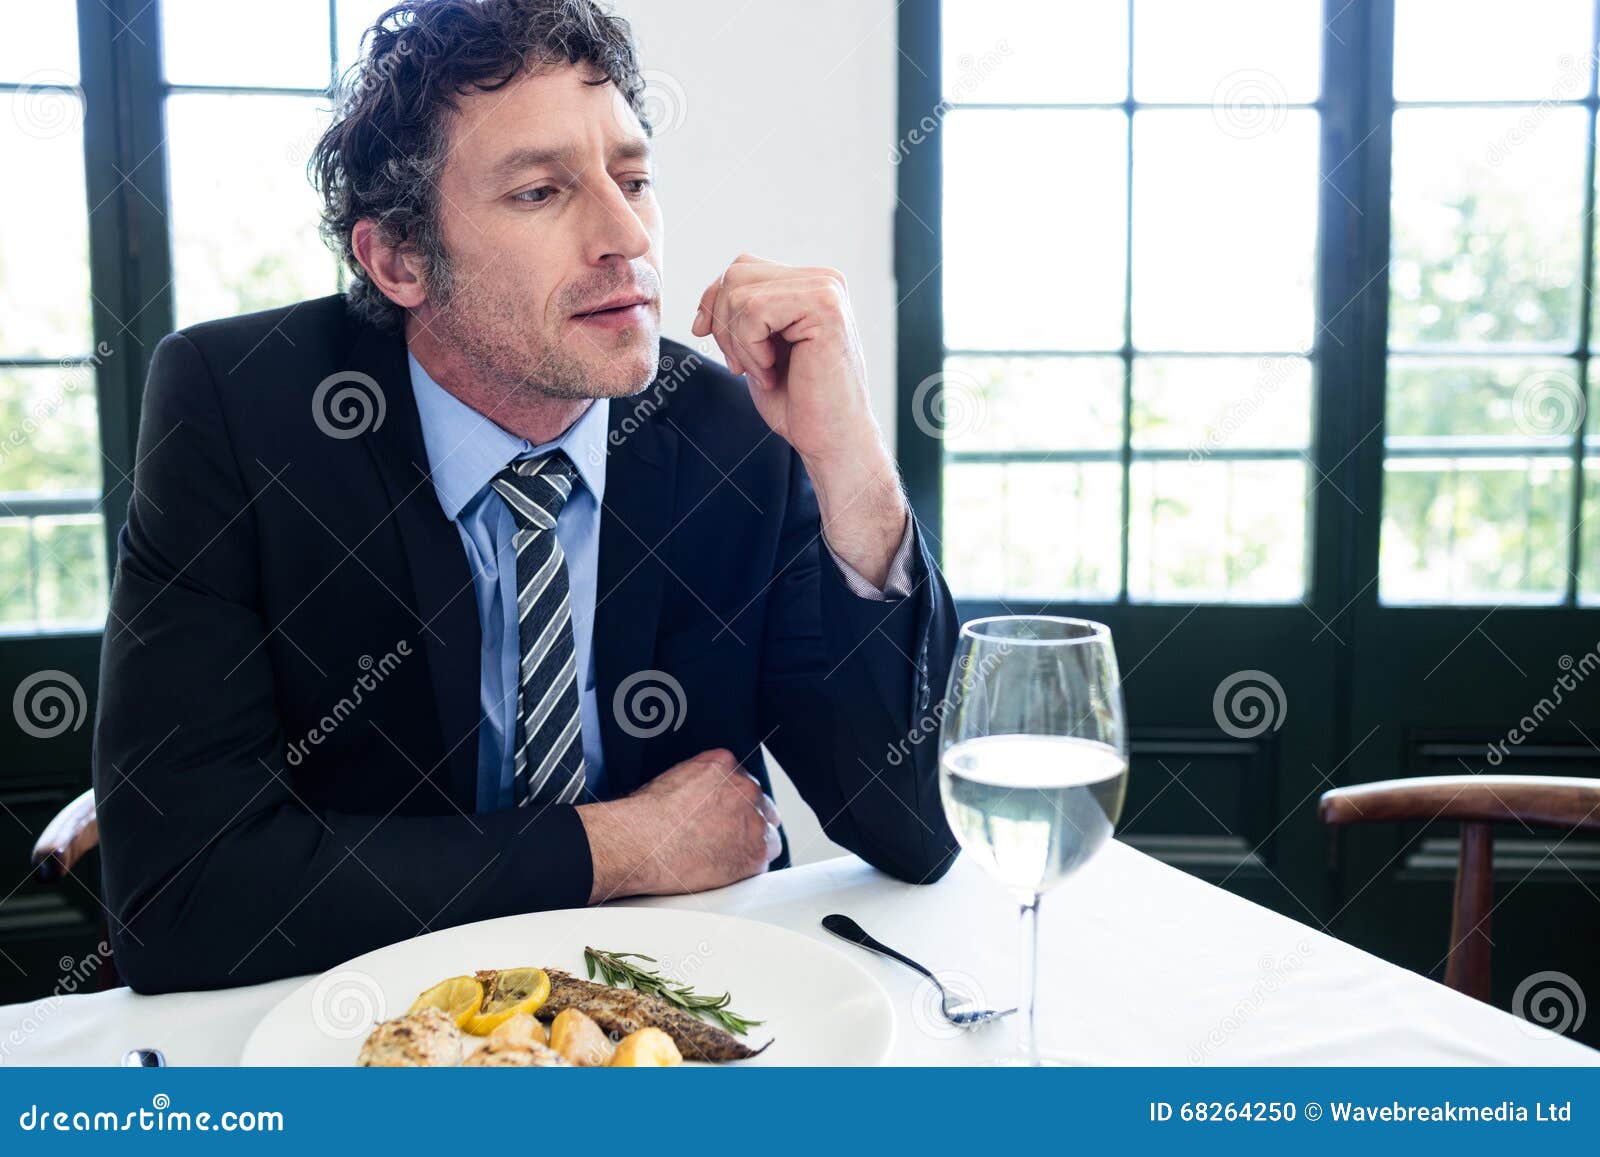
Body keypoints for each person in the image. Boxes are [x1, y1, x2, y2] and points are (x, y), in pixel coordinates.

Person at [93, 0, 957, 993]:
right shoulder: (241, 414)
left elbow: (916, 828)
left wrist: (848, 456)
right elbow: (185, 899)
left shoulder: (735, 435)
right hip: (375, 1024)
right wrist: (618, 844)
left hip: (680, 1025)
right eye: (541, 192)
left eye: (634, 179)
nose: (626, 233)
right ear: (399, 260)